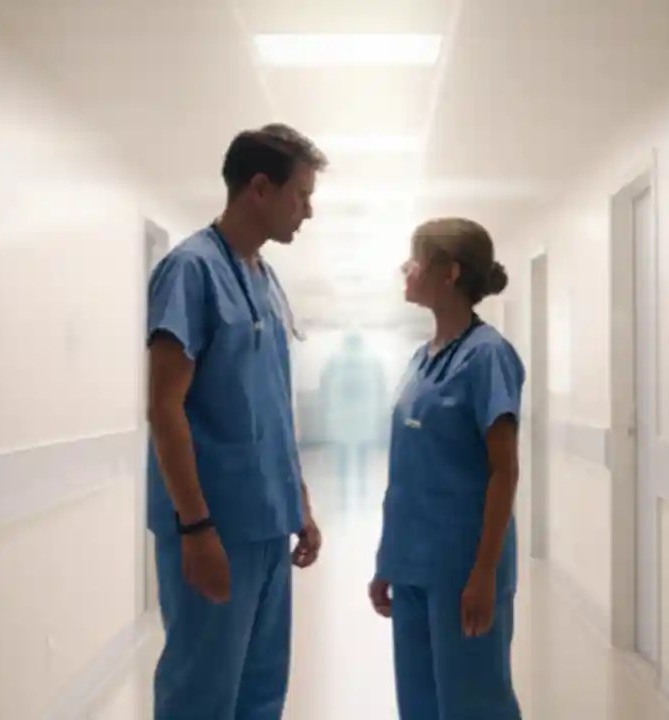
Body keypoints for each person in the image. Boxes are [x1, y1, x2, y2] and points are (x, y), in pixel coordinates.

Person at [146, 123, 327, 720]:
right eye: (301, 194)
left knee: (260, 691)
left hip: (268, 523)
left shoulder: (266, 279)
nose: (308, 210)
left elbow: (272, 400)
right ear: (258, 188)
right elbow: (164, 406)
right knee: (202, 692)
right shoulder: (190, 270)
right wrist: (195, 529)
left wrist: (298, 498)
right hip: (215, 526)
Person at [369, 218, 524, 720]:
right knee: (419, 702)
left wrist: (483, 574)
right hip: (413, 561)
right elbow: (409, 471)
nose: (405, 269)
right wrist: (387, 560)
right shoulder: (421, 358)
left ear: (449, 274)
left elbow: (505, 472)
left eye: (415, 259)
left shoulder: (488, 357)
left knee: (473, 702)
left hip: (463, 566)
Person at [319, 331, 387, 495]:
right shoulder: (368, 359)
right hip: (357, 414)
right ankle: (355, 486)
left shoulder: (337, 359)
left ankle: (351, 487)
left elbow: (325, 382)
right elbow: (381, 384)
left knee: (350, 452)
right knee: (355, 452)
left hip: (348, 415)